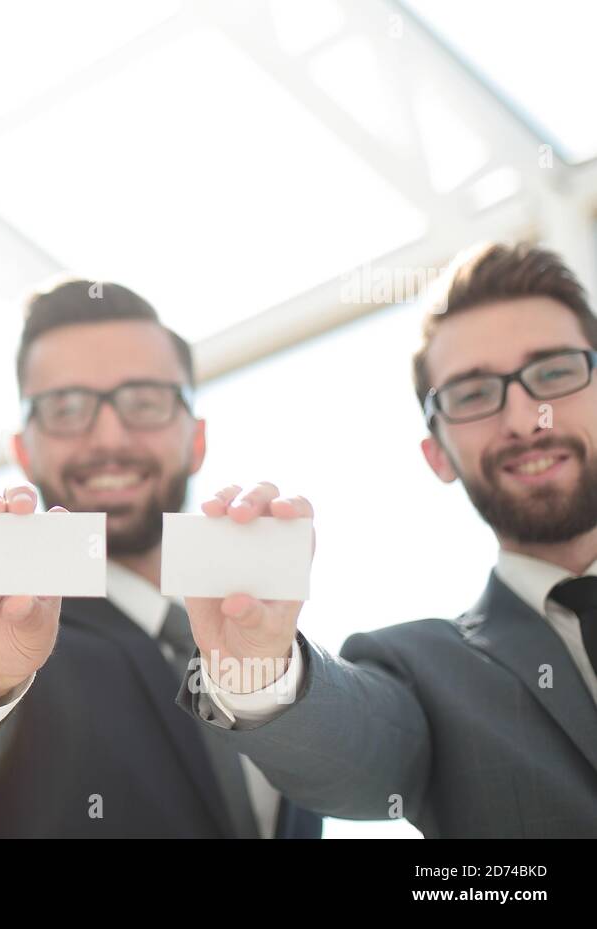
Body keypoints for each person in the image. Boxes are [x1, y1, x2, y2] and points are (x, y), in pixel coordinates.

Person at [0, 280, 322, 837]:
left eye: (145, 403)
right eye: (66, 407)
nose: (108, 435)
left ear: (196, 439)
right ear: (24, 450)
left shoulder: (265, 637)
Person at [177, 243, 597, 837]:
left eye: (554, 373)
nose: (526, 420)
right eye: (473, 394)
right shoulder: (423, 671)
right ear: (438, 456)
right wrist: (256, 670)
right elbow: (356, 754)